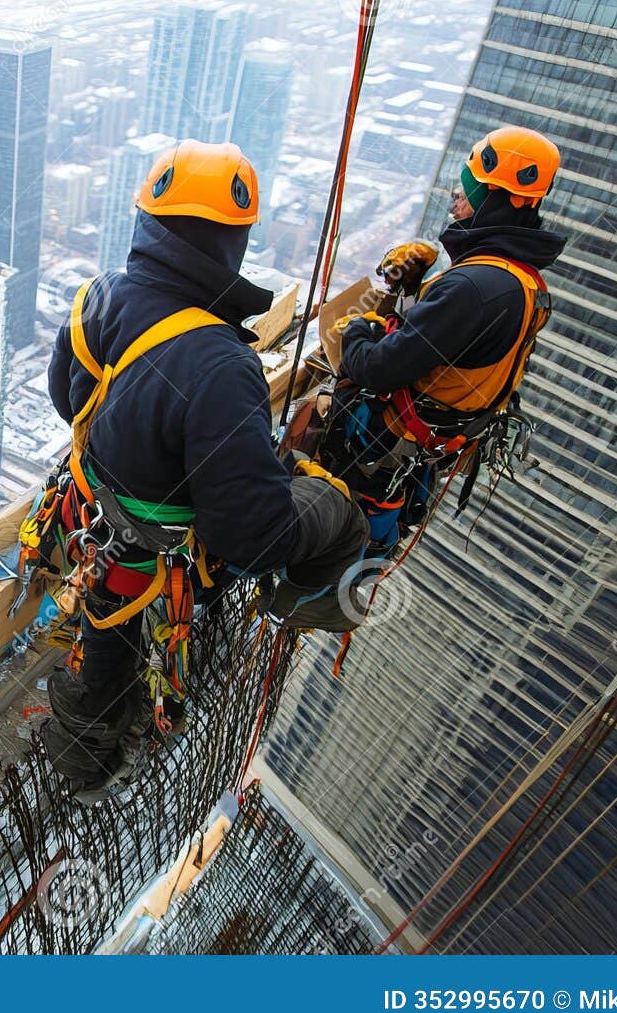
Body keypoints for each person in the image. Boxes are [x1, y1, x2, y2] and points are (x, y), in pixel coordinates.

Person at [43, 139, 367, 799]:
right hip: (161, 555)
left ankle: (86, 766)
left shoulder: (98, 297)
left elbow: (65, 395)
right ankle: (104, 751)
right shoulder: (221, 365)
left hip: (97, 520)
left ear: (147, 224)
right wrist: (324, 502)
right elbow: (253, 537)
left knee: (106, 644)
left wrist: (137, 444)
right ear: (232, 247)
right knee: (337, 514)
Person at [323, 125, 565, 553]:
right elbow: (455, 350)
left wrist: (359, 328)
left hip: (388, 441)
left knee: (309, 435)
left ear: (491, 196)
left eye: (467, 188)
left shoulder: (474, 287)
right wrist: (411, 291)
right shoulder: (527, 283)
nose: (456, 195)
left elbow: (376, 370)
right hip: (429, 445)